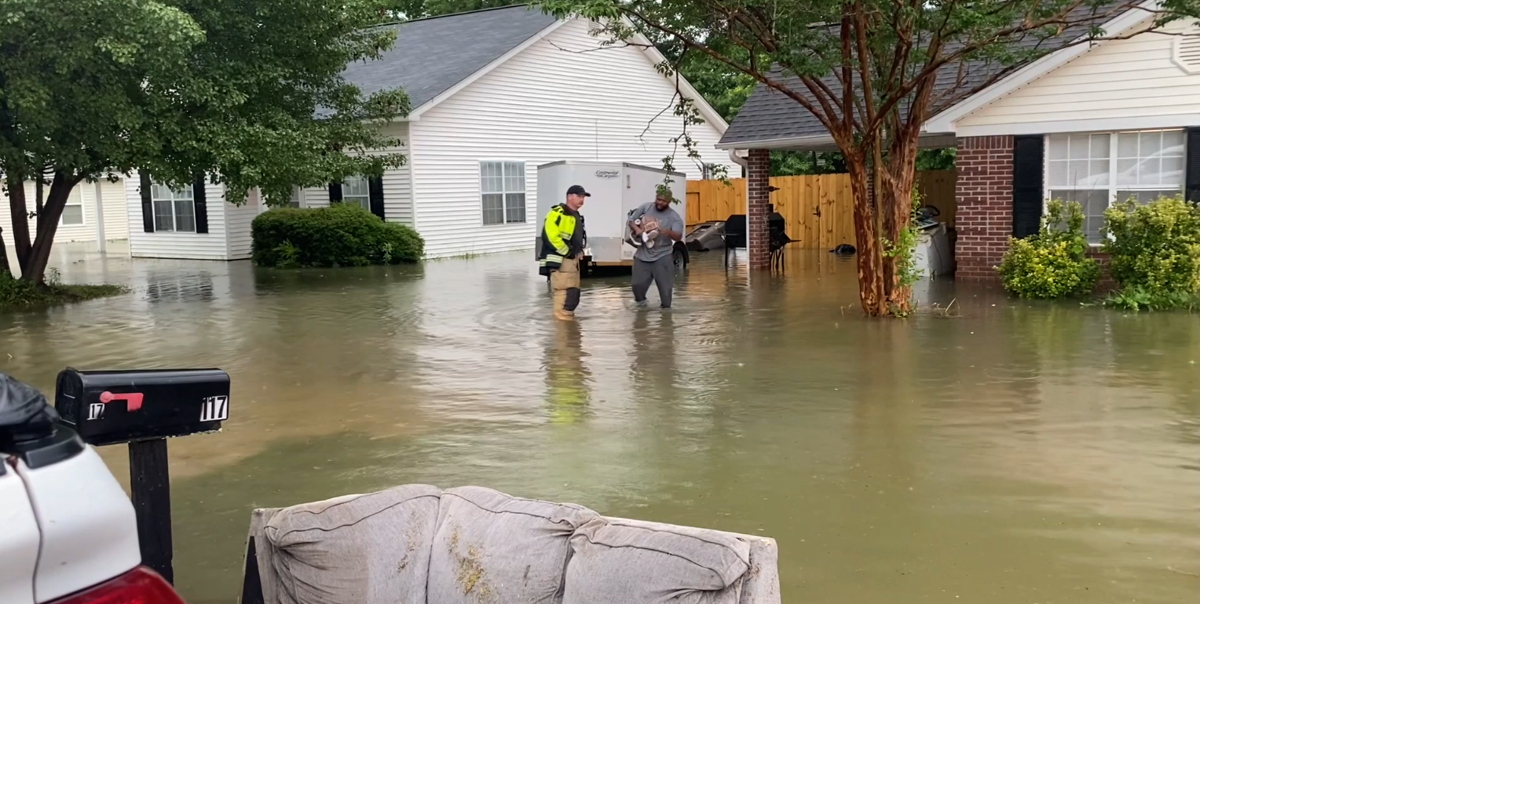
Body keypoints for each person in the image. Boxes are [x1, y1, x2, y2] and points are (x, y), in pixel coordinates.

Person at [626, 184, 685, 309]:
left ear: (669, 201)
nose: (660, 202)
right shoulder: (646, 207)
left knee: (665, 292)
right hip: (642, 255)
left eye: (663, 201)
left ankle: (665, 320)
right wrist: (638, 230)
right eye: (658, 199)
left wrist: (667, 232)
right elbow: (631, 220)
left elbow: (678, 237)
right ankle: (642, 311)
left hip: (663, 257)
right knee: (637, 286)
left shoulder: (674, 218)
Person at [539, 185, 589, 321]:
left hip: (572, 260)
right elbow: (550, 236)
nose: (582, 200)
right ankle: (562, 330)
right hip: (561, 260)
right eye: (579, 196)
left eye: (583, 197)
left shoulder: (575, 215)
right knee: (564, 292)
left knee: (573, 293)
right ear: (569, 197)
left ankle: (569, 328)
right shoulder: (557, 213)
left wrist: (578, 252)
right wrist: (567, 252)